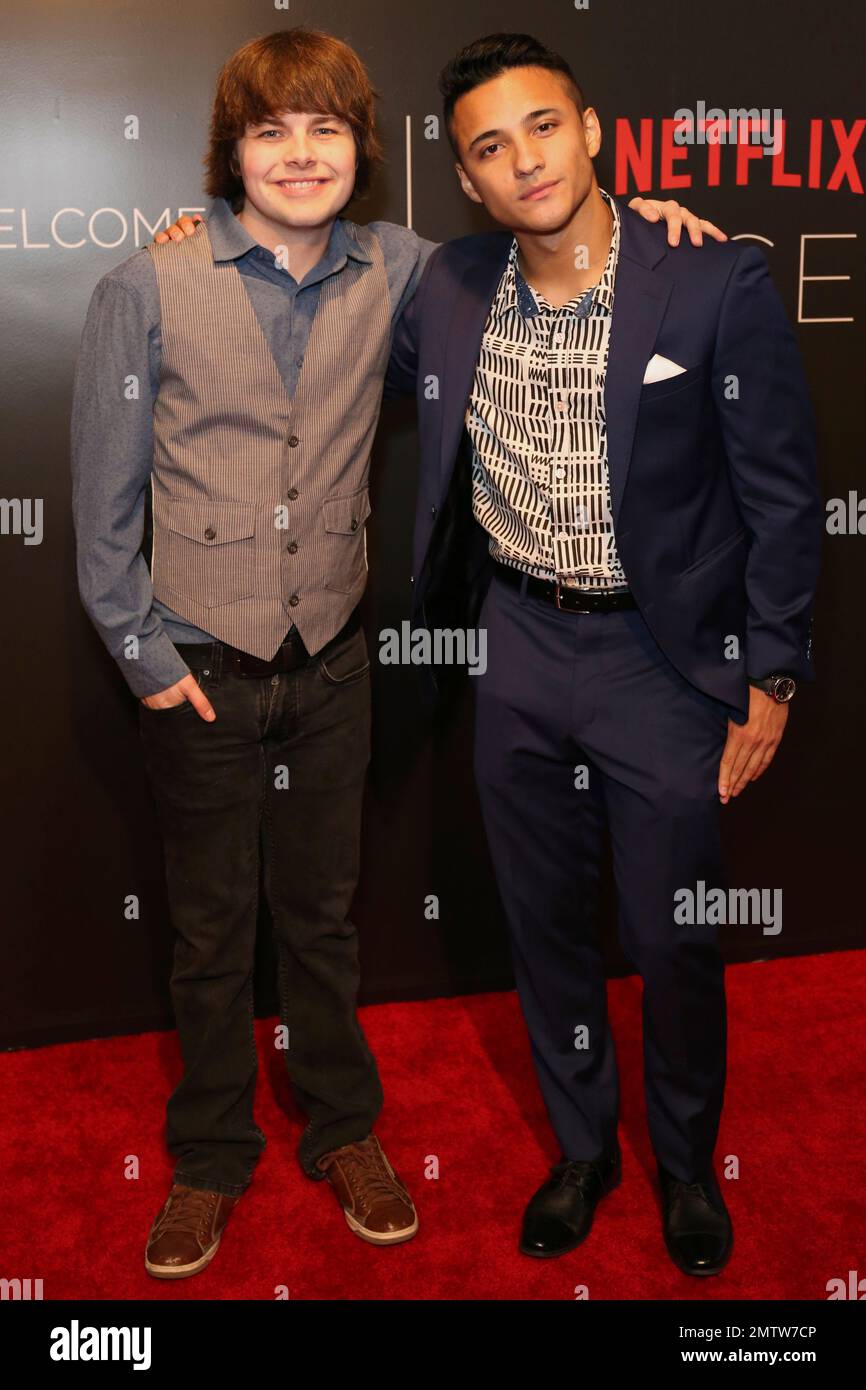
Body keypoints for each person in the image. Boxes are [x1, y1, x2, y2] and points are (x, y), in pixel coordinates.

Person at [71, 24, 721, 1280]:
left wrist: (649, 222)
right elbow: (100, 514)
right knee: (210, 933)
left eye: (323, 128)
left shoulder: (411, 269)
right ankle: (209, 1157)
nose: (299, 153)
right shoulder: (142, 287)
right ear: (233, 151)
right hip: (198, 665)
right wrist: (143, 654)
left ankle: (342, 1129)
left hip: (333, 659)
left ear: (361, 150)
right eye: (270, 130)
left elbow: (554, 240)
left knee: (321, 921)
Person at [384, 32, 822, 1276]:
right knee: (543, 924)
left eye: (539, 126)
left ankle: (686, 1164)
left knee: (672, 934)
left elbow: (784, 498)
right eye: (487, 147)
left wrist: (771, 670)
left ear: (589, 132)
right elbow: (328, 288)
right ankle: (583, 1149)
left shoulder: (709, 280)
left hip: (660, 661)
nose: (521, 160)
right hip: (516, 643)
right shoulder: (449, 287)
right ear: (466, 181)